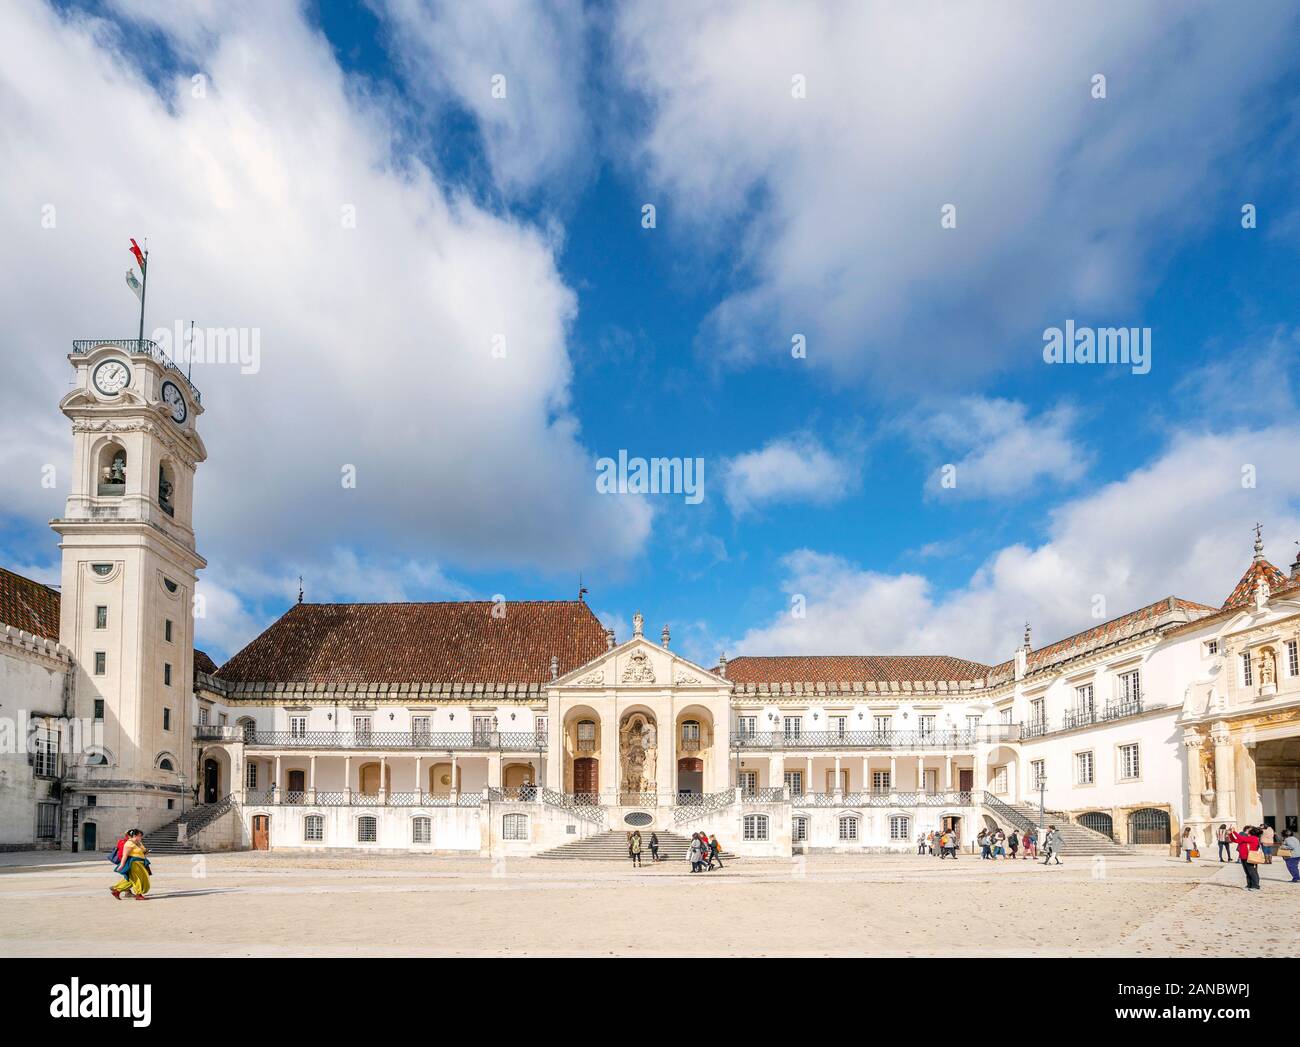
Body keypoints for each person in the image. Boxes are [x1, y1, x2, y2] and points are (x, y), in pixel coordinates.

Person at [109, 829, 151, 900]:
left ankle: (117, 890)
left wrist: (146, 851)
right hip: (134, 864)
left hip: (141, 863)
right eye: (140, 836)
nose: (141, 837)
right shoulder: (128, 844)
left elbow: (143, 851)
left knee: (134, 879)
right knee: (138, 879)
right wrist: (121, 865)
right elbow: (125, 855)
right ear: (134, 836)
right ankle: (138, 894)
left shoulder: (139, 843)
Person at [1229, 825, 1261, 891]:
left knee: (1252, 872)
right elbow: (1235, 840)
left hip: (1250, 857)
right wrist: (1230, 834)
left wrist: (1234, 831)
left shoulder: (1253, 838)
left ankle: (1256, 886)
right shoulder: (1246, 838)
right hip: (1243, 857)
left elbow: (1240, 838)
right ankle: (1249, 885)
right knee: (1247, 872)